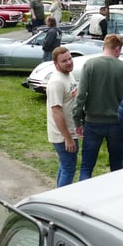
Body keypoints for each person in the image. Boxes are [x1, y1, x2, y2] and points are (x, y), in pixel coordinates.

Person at [74, 33, 123, 179]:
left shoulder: (90, 64)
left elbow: (81, 95)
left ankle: (83, 193)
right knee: (117, 166)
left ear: (104, 47)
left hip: (93, 121)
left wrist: (77, 120)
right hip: (117, 123)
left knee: (87, 166)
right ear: (118, 49)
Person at [46, 46, 80, 186]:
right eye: (64, 61)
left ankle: (56, 195)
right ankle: (60, 200)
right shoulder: (56, 82)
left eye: (70, 58)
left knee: (65, 165)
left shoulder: (68, 74)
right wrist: (68, 138)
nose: (69, 62)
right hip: (62, 135)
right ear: (56, 64)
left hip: (71, 131)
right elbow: (56, 112)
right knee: (69, 169)